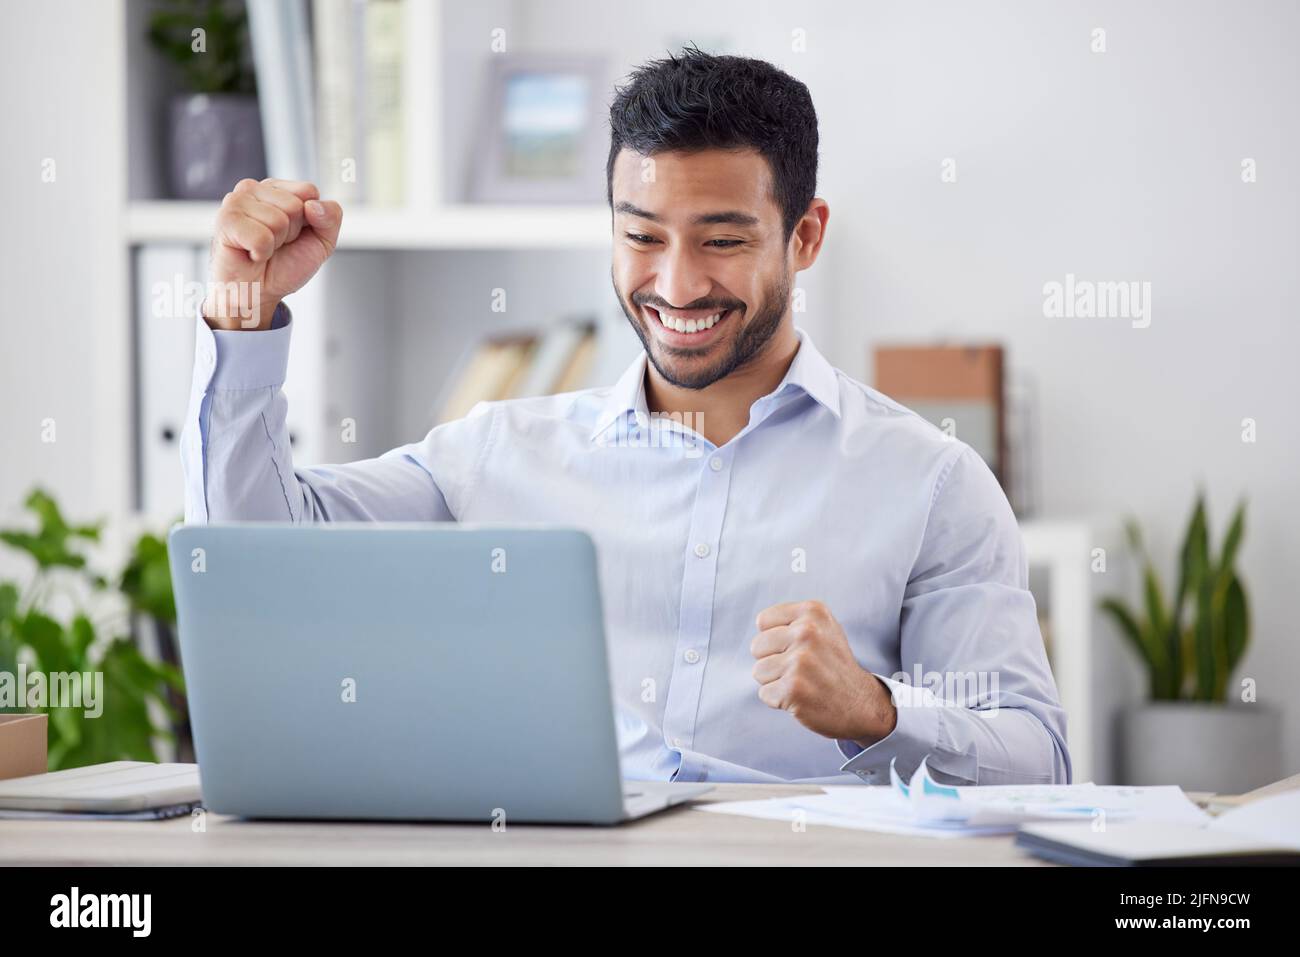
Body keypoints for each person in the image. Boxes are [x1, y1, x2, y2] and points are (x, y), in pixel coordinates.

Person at [184, 48, 1070, 786]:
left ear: (804, 237)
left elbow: (1039, 761)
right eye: (642, 235)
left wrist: (878, 710)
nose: (677, 285)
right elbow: (251, 560)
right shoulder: (497, 453)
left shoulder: (932, 483)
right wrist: (240, 306)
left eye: (722, 240)